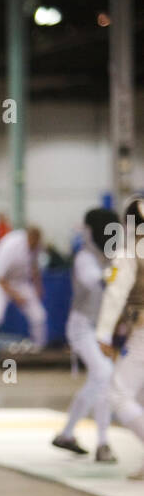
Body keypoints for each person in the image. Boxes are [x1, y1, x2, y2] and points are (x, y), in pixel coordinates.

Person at [52, 208, 119, 463]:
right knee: (104, 375)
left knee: (100, 379)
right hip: (81, 327)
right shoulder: (85, 258)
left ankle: (67, 434)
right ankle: (102, 443)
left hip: (102, 328)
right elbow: (96, 282)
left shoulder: (110, 257)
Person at [96, 193, 144, 480]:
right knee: (139, 394)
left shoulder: (129, 252)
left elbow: (115, 294)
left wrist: (103, 333)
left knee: (118, 394)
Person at [0, 224, 45, 368]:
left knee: (39, 316)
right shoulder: (11, 245)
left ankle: (38, 351)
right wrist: (16, 296)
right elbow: (0, 278)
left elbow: (34, 265)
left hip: (20, 281)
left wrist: (38, 286)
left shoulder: (36, 245)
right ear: (28, 237)